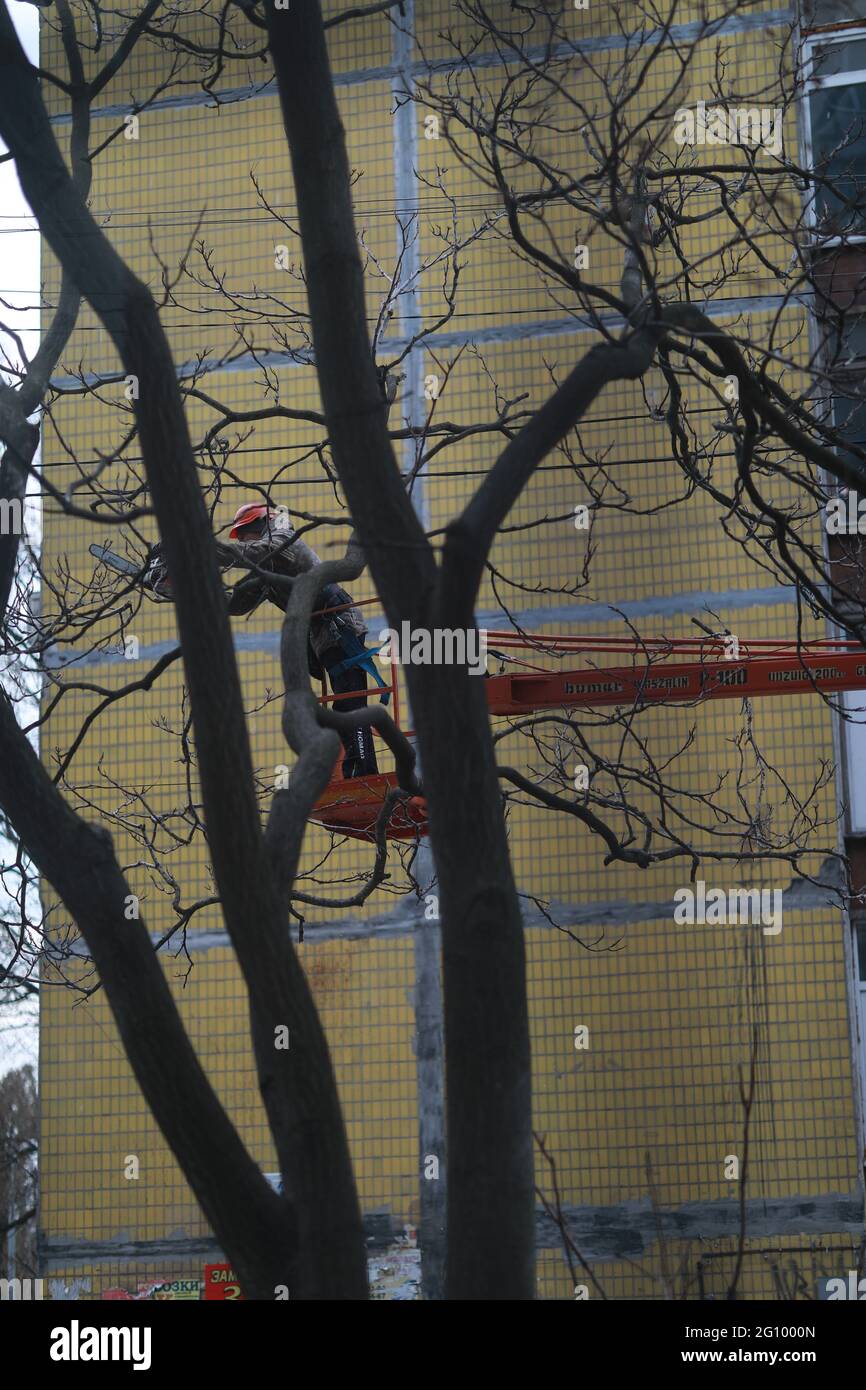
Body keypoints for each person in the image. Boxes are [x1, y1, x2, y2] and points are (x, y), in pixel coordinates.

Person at [226, 503, 380, 779]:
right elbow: (236, 603)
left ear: (259, 525)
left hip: (339, 626)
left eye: (244, 534)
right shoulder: (267, 570)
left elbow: (259, 551)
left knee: (350, 703)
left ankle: (363, 772)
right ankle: (352, 768)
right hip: (325, 634)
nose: (244, 540)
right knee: (344, 704)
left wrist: (209, 552)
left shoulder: (284, 542)